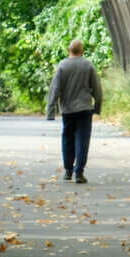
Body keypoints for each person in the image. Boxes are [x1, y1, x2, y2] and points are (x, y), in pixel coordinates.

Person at [45, 39, 102, 183]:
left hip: (68, 110)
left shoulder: (62, 66)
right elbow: (97, 88)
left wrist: (50, 110)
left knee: (67, 138)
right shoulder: (88, 65)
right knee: (83, 139)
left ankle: (68, 170)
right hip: (84, 109)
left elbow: (55, 88)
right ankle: (79, 172)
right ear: (82, 51)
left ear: (68, 50)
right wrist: (97, 106)